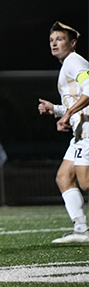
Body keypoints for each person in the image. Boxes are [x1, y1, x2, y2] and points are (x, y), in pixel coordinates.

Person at [38, 21, 89, 243]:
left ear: (73, 43)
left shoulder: (74, 62)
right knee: (63, 178)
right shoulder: (67, 64)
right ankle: (81, 230)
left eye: (60, 39)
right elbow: (77, 99)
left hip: (87, 131)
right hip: (80, 133)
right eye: (51, 40)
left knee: (85, 183)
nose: (54, 43)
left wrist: (67, 115)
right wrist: (57, 109)